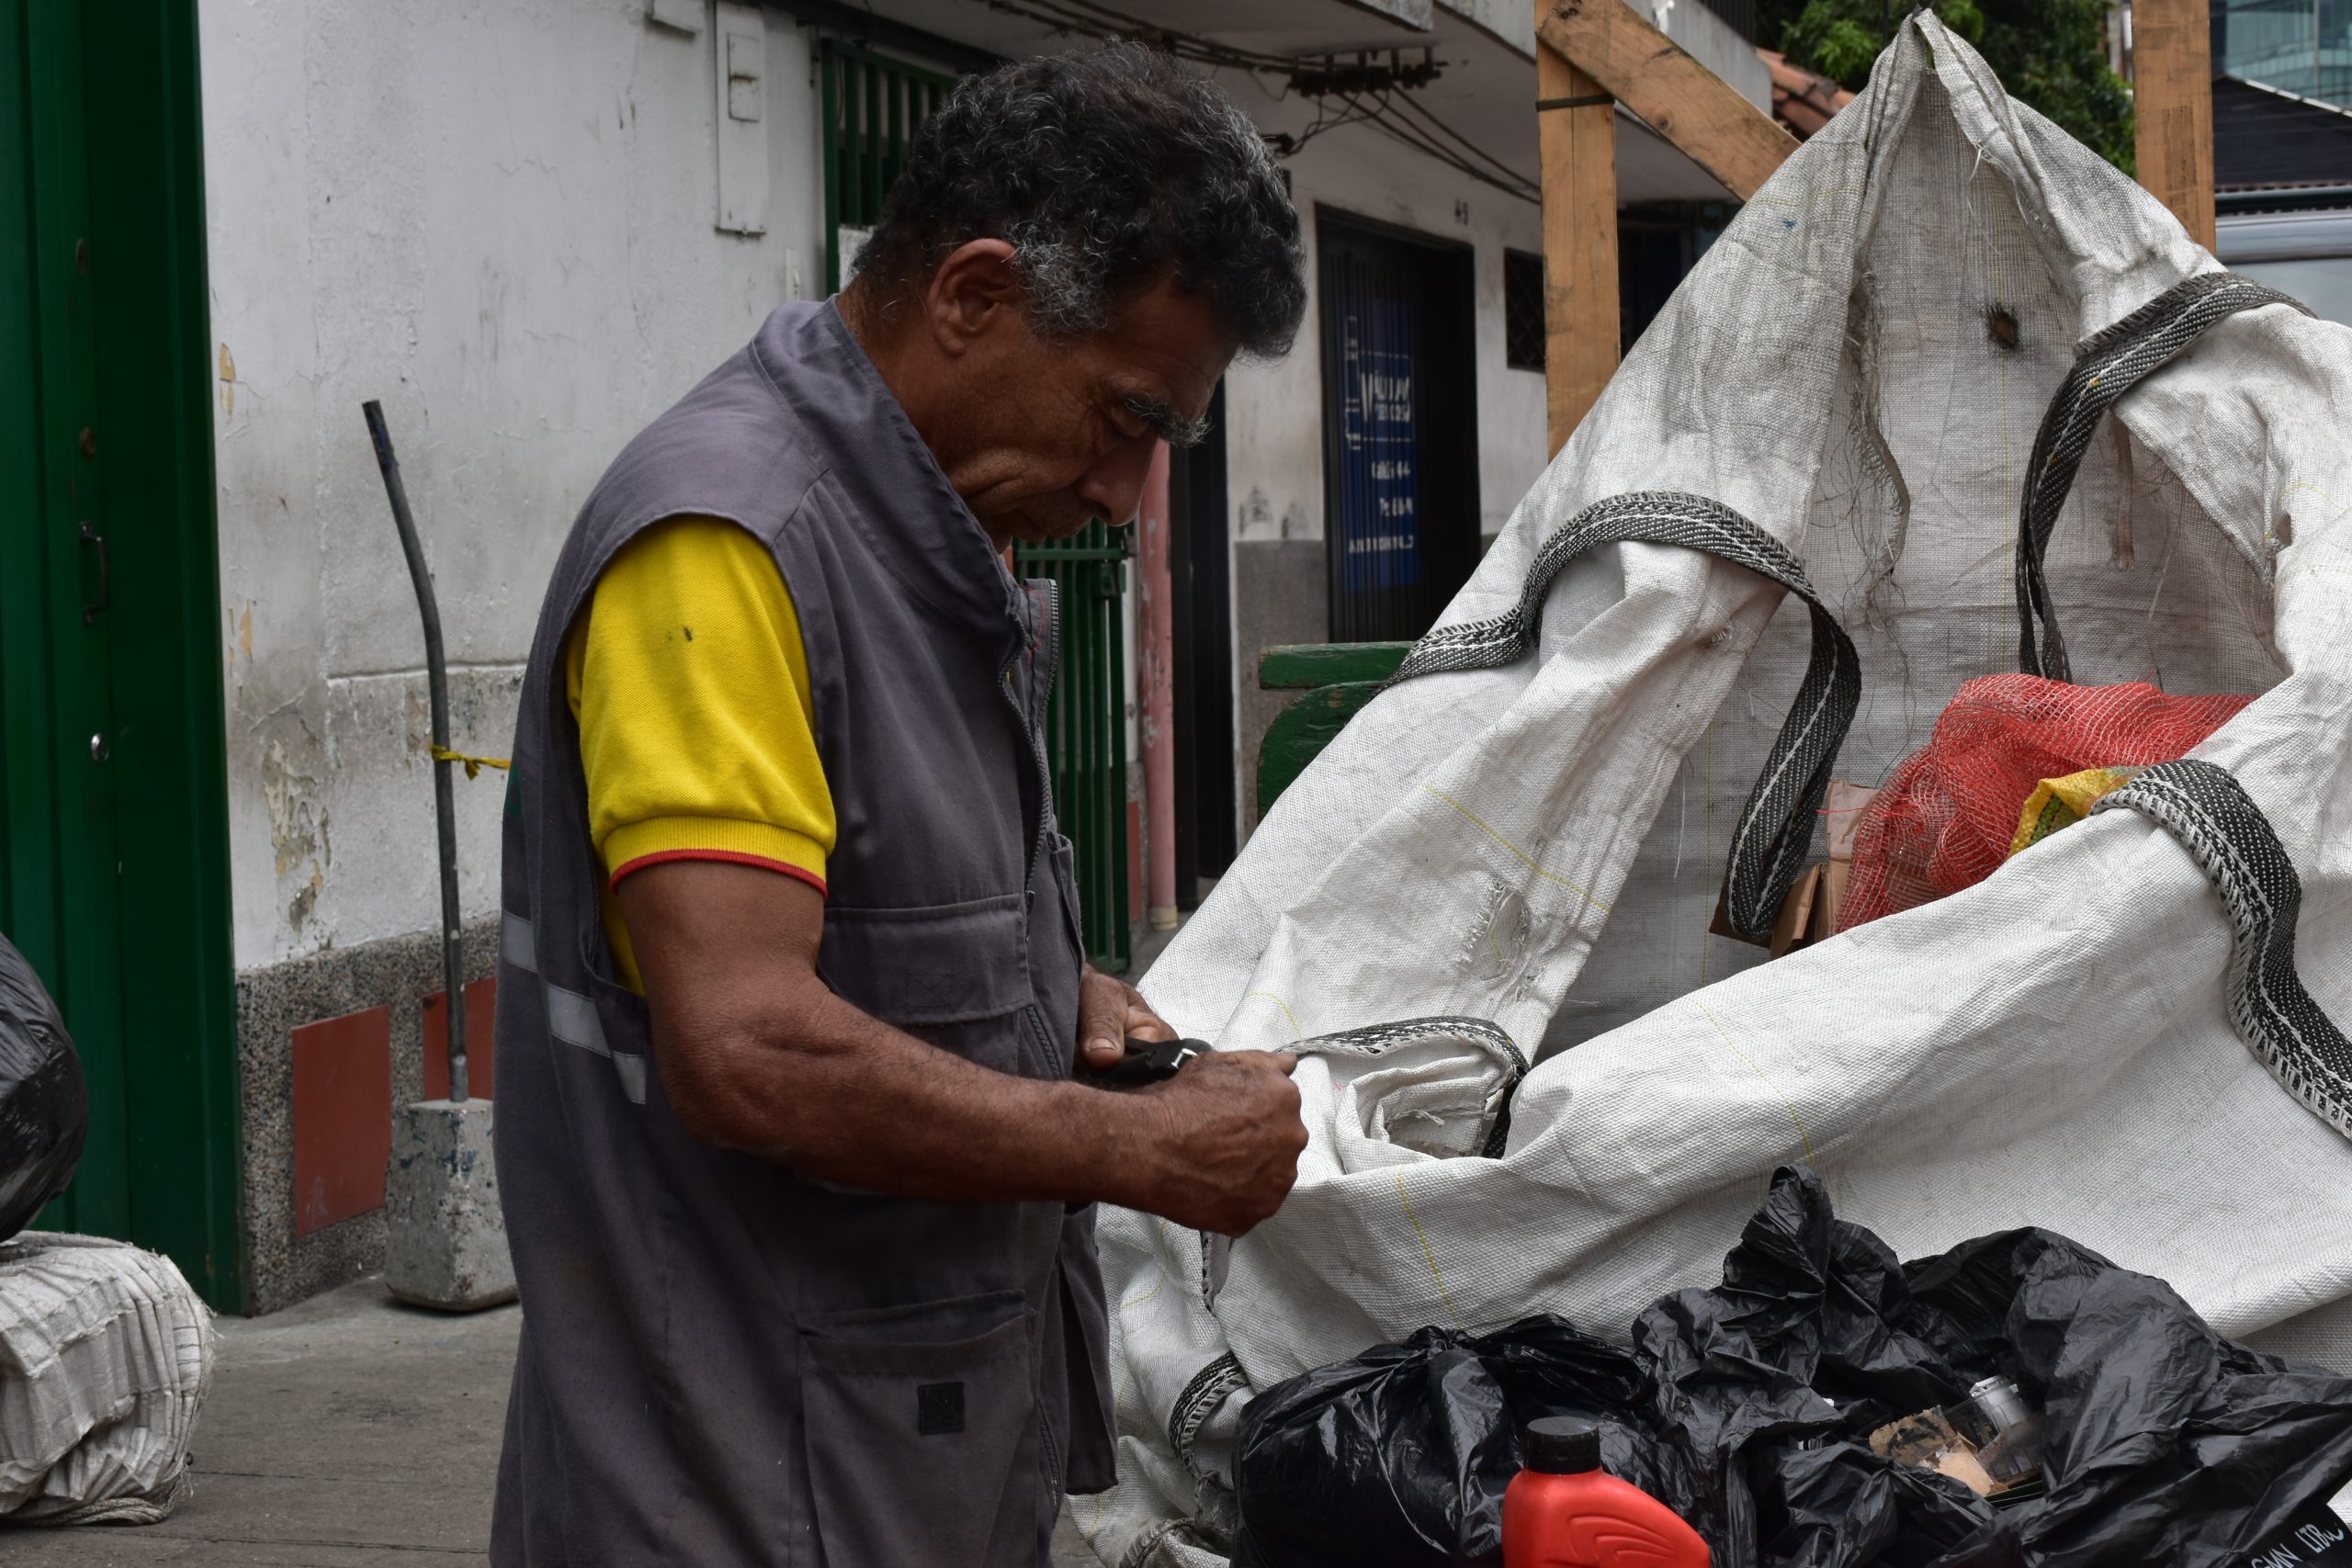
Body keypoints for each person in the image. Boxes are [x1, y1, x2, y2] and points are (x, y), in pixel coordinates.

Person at [488, 40, 1312, 1568]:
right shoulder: (729, 548)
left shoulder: (925, 529)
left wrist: (1041, 991)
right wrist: (1134, 1153)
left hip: (890, 1461)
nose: (1133, 491)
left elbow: (862, 915)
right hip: (740, 1488)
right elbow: (745, 1046)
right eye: (1129, 417)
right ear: (974, 296)